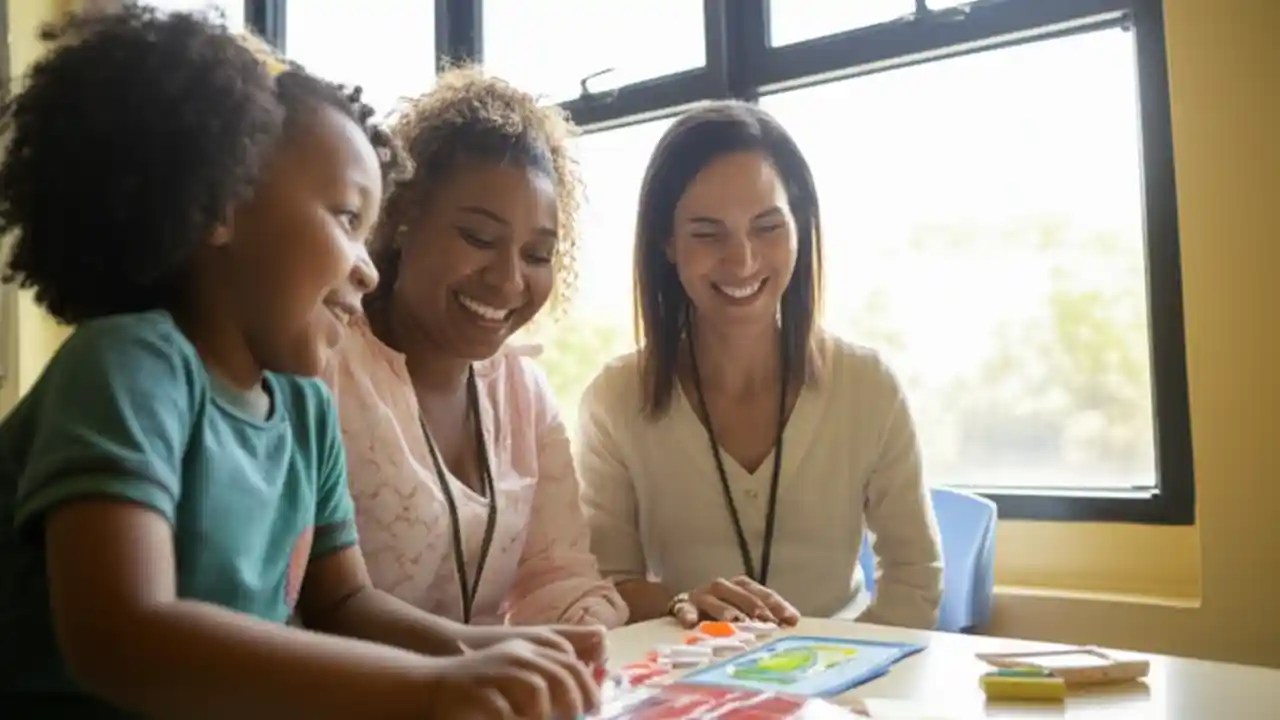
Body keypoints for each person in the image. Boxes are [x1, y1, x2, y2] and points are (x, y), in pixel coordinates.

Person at [0, 7, 598, 718]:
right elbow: (121, 635)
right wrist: (433, 688)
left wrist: (484, 652)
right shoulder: (130, 367)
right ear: (219, 207)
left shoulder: (305, 407)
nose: (368, 270)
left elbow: (344, 601)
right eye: (348, 220)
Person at [576, 101, 943, 630]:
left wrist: (844, 678)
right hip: (682, 690)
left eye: (767, 226)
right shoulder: (614, 399)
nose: (743, 260)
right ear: (667, 244)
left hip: (842, 692)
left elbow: (914, 575)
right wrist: (684, 603)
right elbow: (606, 588)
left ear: (800, 228)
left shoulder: (868, 386)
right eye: (707, 233)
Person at [323, 68, 628, 634]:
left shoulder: (521, 389)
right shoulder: (324, 361)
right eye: (479, 239)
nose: (509, 281)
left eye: (537, 255)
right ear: (403, 216)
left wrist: (581, 628)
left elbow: (554, 576)